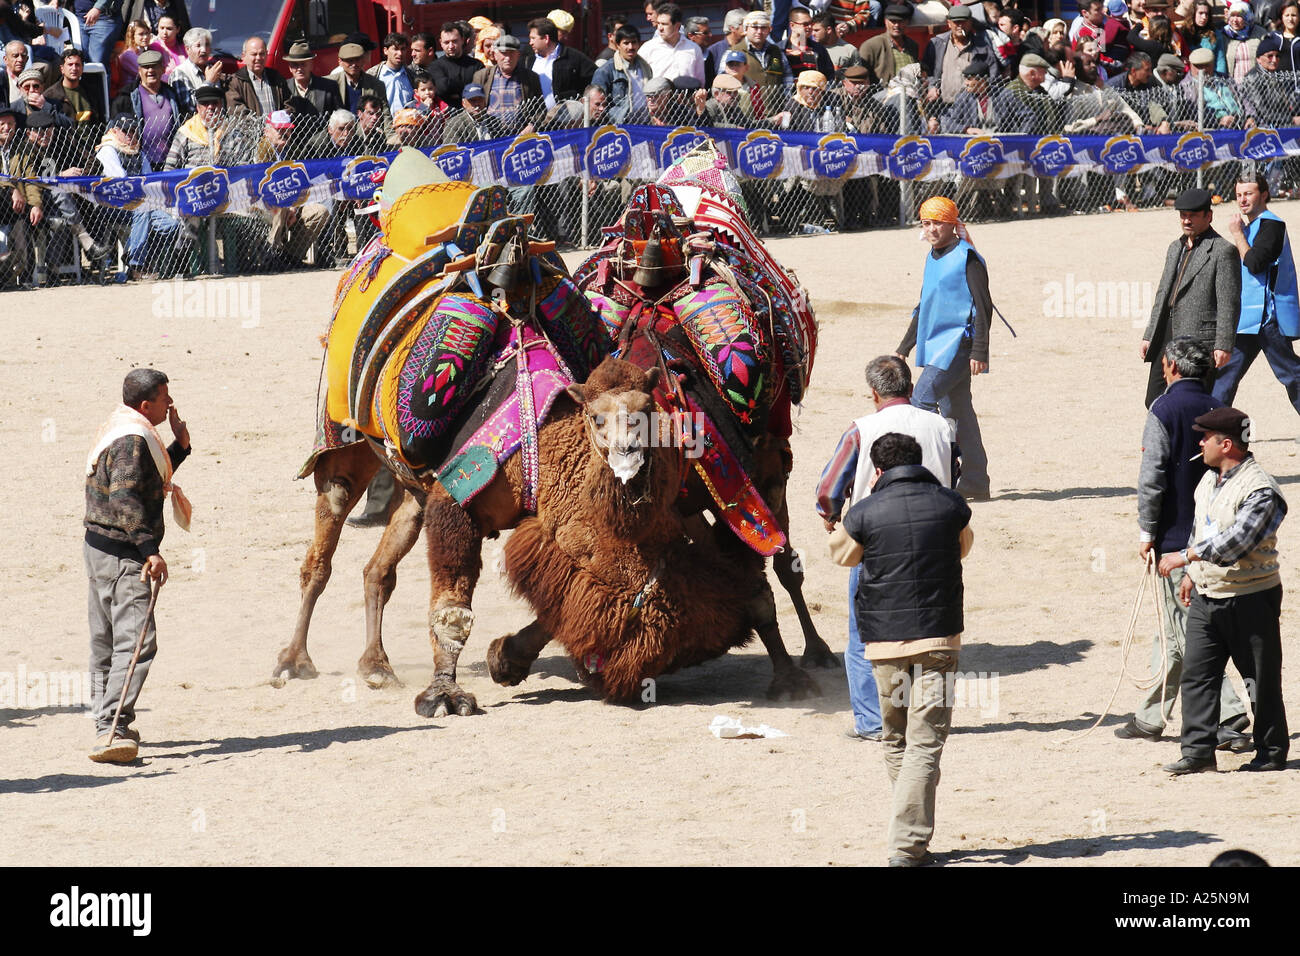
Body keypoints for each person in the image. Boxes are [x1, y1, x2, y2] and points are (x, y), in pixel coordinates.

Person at [829, 432, 973, 866]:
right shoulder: (951, 505)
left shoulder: (864, 512)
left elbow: (842, 557)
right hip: (939, 641)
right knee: (926, 742)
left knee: (895, 738)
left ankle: (908, 841)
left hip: (884, 645)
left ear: (877, 471)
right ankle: (908, 845)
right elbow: (963, 547)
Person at [1117, 337, 1251, 745]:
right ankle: (1151, 717)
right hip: (1219, 539)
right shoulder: (1219, 411)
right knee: (1176, 628)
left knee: (1185, 634)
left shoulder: (1162, 409)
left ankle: (1229, 715)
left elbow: (1152, 477)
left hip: (1177, 541)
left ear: (1171, 366)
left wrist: (1146, 531)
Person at [817, 356, 958, 744]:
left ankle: (873, 723)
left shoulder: (861, 430)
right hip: (936, 538)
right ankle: (923, 716)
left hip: (876, 540)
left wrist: (829, 516)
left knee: (866, 637)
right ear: (911, 389)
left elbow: (830, 488)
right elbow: (955, 475)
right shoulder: (941, 426)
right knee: (930, 630)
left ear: (874, 393)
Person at [1159, 407, 1290, 773]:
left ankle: (1270, 752)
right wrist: (1192, 573)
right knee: (1198, 676)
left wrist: (1186, 558)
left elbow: (1238, 543)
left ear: (1226, 444)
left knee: (1259, 681)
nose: (1200, 442)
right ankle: (1198, 752)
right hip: (1207, 596)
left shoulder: (1261, 490)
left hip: (1251, 599)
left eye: (1206, 438)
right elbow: (1200, 528)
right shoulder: (1209, 480)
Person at [84, 367, 192, 763]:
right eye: (165, 398)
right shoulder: (131, 439)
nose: (171, 403)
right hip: (122, 552)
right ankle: (112, 727)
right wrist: (150, 550)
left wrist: (180, 446)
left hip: (99, 549)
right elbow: (125, 499)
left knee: (106, 639)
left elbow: (145, 481)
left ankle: (104, 717)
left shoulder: (123, 423)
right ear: (146, 404)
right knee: (137, 640)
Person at [895, 200, 999, 501]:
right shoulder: (932, 257)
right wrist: (905, 345)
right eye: (926, 223)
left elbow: (984, 307)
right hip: (937, 343)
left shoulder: (968, 258)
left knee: (920, 402)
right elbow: (924, 306)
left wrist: (980, 351)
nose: (931, 229)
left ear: (954, 224)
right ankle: (976, 480)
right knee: (959, 413)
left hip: (958, 347)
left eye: (938, 223)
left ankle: (933, 476)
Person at [1213, 174, 1300, 425]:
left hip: (1269, 319)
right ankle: (1212, 431)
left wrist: (1236, 234)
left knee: (1291, 374)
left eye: (1248, 193)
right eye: (1239, 194)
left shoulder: (1272, 225)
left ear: (1264, 195)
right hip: (1246, 318)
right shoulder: (1251, 226)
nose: (1242, 199)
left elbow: (1254, 263)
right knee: (1225, 375)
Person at [1141, 187, 1241, 407]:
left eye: (1193, 215)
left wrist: (1223, 344)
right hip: (1166, 333)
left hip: (1199, 338)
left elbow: (1229, 303)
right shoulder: (1174, 247)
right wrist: (1150, 334)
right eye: (1183, 215)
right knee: (1154, 400)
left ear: (1208, 216)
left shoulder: (1223, 251)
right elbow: (1162, 293)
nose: (1187, 220)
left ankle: (1195, 441)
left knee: (1193, 402)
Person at [473, 34, 543, 136]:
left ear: (518, 55)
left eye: (511, 53)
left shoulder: (530, 77)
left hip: (522, 137)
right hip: (491, 137)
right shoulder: (482, 77)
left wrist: (532, 125)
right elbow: (473, 105)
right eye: (503, 53)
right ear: (495, 55)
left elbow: (541, 108)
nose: (507, 58)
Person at [524, 15, 595, 108]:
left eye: (533, 38)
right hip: (536, 120)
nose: (530, 42)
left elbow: (595, 79)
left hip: (567, 119)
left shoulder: (573, 57)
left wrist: (581, 102)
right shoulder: (528, 60)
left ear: (546, 38)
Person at [592, 24, 653, 123]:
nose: (631, 47)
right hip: (619, 127)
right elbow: (597, 104)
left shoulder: (646, 68)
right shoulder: (606, 71)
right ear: (617, 45)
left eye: (634, 42)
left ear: (639, 44)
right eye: (626, 43)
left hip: (644, 125)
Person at [639, 2, 705, 85]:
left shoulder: (694, 49)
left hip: (687, 96)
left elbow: (700, 81)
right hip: (658, 97)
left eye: (664, 24)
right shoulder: (647, 49)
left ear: (677, 26)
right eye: (658, 23)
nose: (660, 28)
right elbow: (638, 79)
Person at [226, 36, 289, 116]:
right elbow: (238, 112)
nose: (258, 58)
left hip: (277, 128)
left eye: (262, 54)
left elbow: (289, 104)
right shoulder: (235, 82)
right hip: (251, 128)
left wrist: (280, 122)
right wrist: (260, 127)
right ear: (244, 56)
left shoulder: (277, 78)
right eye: (254, 54)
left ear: (266, 54)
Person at [858, 4, 918, 85]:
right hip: (881, 94)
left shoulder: (912, 45)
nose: (896, 25)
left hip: (911, 92)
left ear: (907, 22)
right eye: (893, 21)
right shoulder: (871, 46)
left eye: (901, 21)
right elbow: (861, 76)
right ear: (885, 21)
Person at [430, 21, 480, 106]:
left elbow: (479, 91)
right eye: (446, 42)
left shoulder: (476, 65)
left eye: (454, 41)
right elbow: (443, 88)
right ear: (441, 43)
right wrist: (466, 89)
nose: (451, 46)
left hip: (473, 113)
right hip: (445, 116)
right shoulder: (435, 67)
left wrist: (453, 90)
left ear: (462, 40)